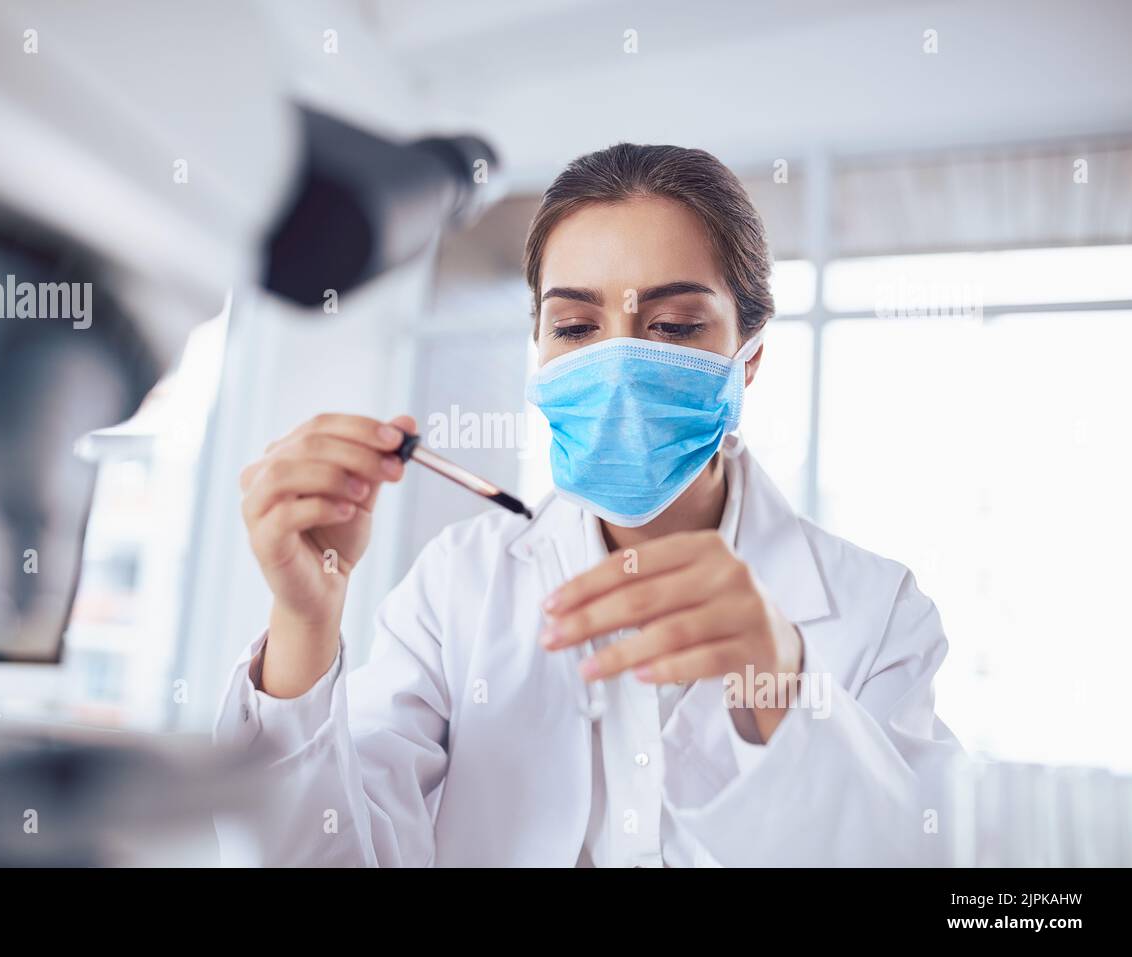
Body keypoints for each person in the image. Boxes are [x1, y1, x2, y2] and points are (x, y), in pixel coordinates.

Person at [216, 144, 962, 867]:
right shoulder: (459, 585)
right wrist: (305, 624)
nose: (618, 363)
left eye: (672, 326)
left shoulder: (877, 611)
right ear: (538, 347)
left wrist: (780, 690)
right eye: (575, 328)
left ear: (750, 358)